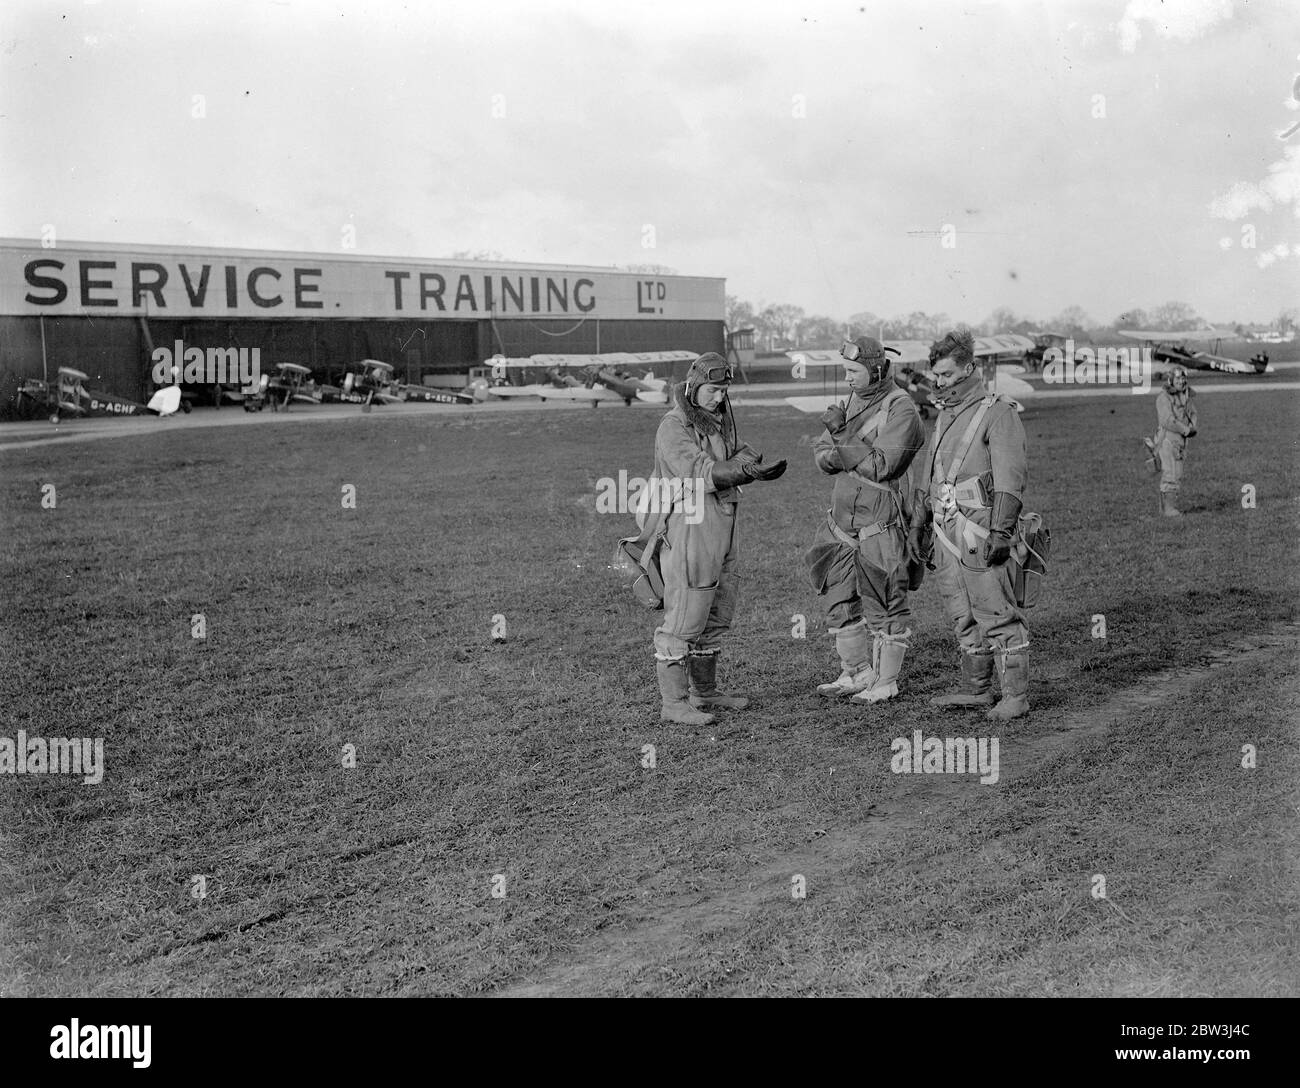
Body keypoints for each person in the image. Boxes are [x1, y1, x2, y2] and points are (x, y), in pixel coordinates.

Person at [632, 352, 787, 726]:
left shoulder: (714, 422)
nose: (719, 397)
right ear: (693, 385)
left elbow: (732, 453)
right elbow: (699, 470)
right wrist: (740, 469)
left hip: (722, 523)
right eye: (712, 390)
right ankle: (674, 702)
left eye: (723, 390)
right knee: (687, 608)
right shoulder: (673, 427)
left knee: (716, 608)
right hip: (689, 526)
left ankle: (705, 691)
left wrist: (749, 460)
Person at [907, 328, 1031, 721]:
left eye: (946, 374)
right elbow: (931, 474)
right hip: (945, 530)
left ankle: (1015, 696)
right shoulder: (945, 415)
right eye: (936, 376)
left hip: (981, 529)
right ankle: (977, 690)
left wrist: (1002, 531)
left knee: (995, 610)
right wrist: (918, 525)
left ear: (970, 368)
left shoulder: (999, 411)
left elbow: (1011, 478)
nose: (939, 383)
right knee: (961, 612)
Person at [805, 336, 926, 704]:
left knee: (886, 596)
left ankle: (886, 681)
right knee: (837, 593)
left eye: (854, 371)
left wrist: (841, 437)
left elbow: (880, 466)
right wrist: (839, 448)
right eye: (845, 371)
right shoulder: (853, 400)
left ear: (875, 369)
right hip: (842, 520)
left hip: (881, 520)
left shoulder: (902, 410)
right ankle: (856, 671)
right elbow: (822, 454)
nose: (847, 379)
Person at [1154, 365, 1197, 517]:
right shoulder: (1163, 398)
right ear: (1171, 379)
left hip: (1180, 442)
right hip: (1167, 440)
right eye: (1178, 378)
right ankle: (1169, 509)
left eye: (1183, 377)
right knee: (1170, 474)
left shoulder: (1185, 396)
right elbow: (1167, 420)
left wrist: (1192, 427)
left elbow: (1192, 413)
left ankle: (1165, 509)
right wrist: (1186, 430)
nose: (1181, 381)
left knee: (1176, 474)